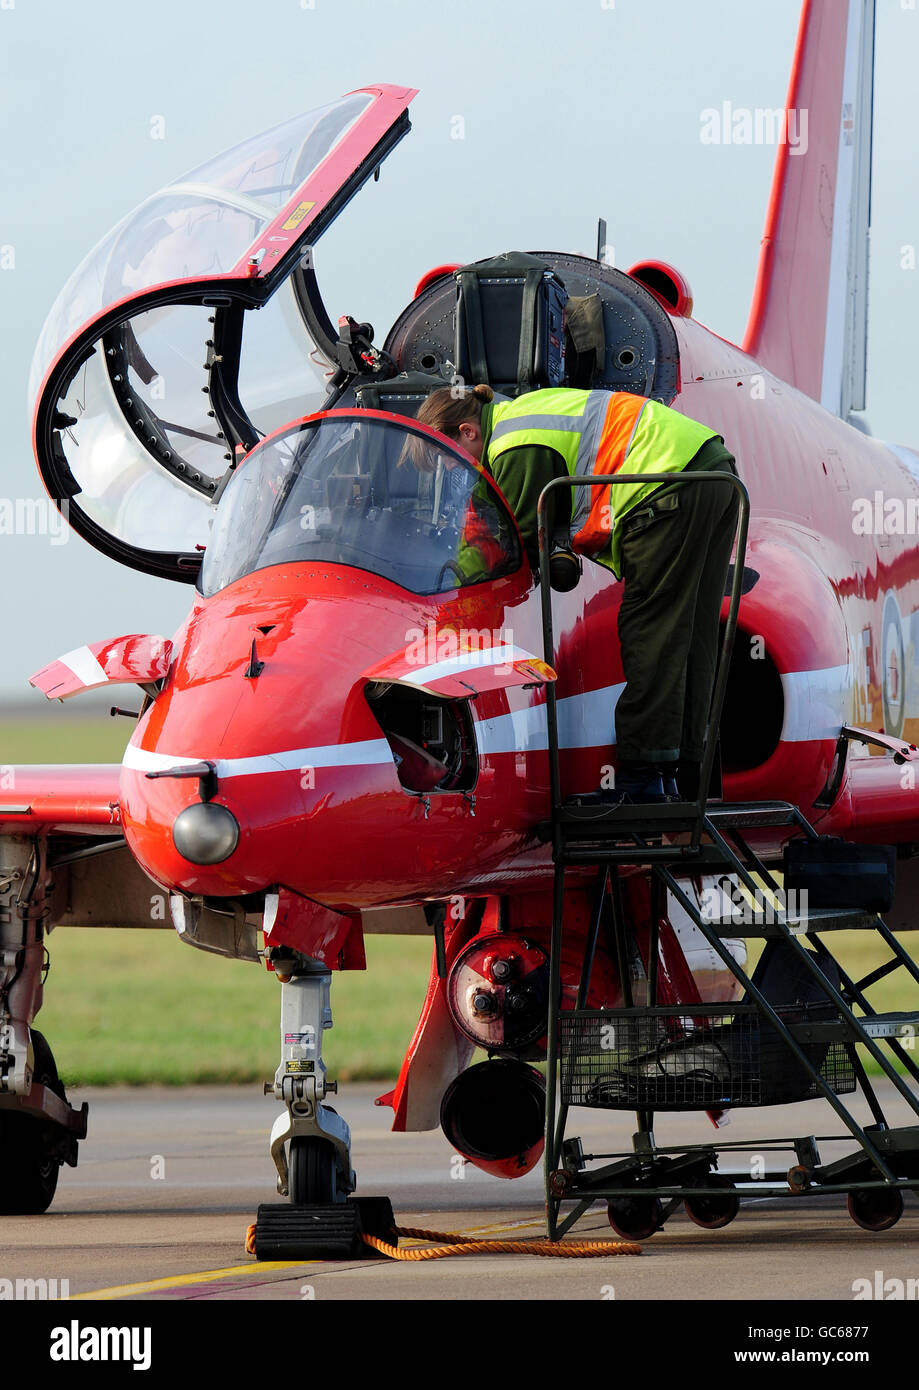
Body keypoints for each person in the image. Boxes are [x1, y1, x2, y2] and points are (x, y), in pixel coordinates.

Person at [415, 383, 739, 803]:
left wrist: (457, 594)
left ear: (468, 431)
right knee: (691, 633)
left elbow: (516, 538)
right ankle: (683, 775)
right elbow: (504, 524)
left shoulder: (513, 445)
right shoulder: (519, 419)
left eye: (451, 458)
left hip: (666, 482)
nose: (456, 470)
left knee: (650, 630)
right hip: (713, 473)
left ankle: (642, 779)